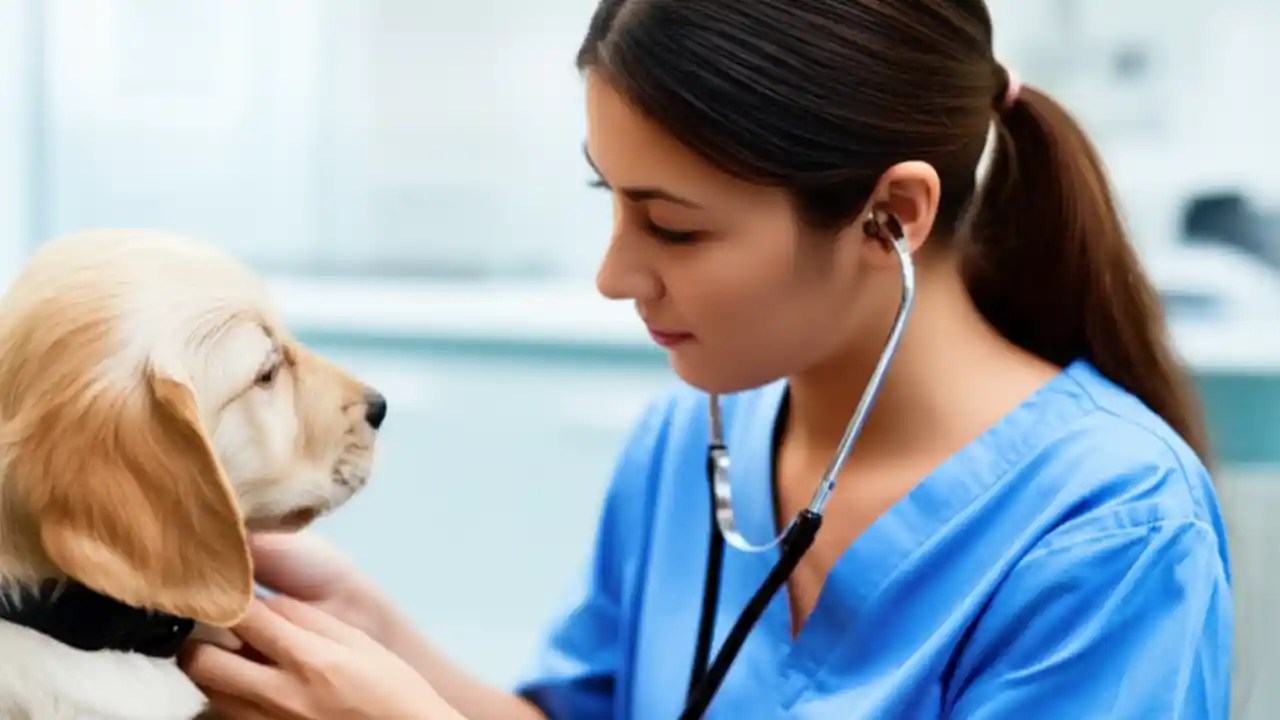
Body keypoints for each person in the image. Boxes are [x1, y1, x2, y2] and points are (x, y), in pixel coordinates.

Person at [181, 0, 1234, 717]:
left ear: (890, 216)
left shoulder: (1111, 532)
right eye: (611, 200)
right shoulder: (693, 438)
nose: (614, 273)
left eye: (673, 227)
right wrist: (377, 636)